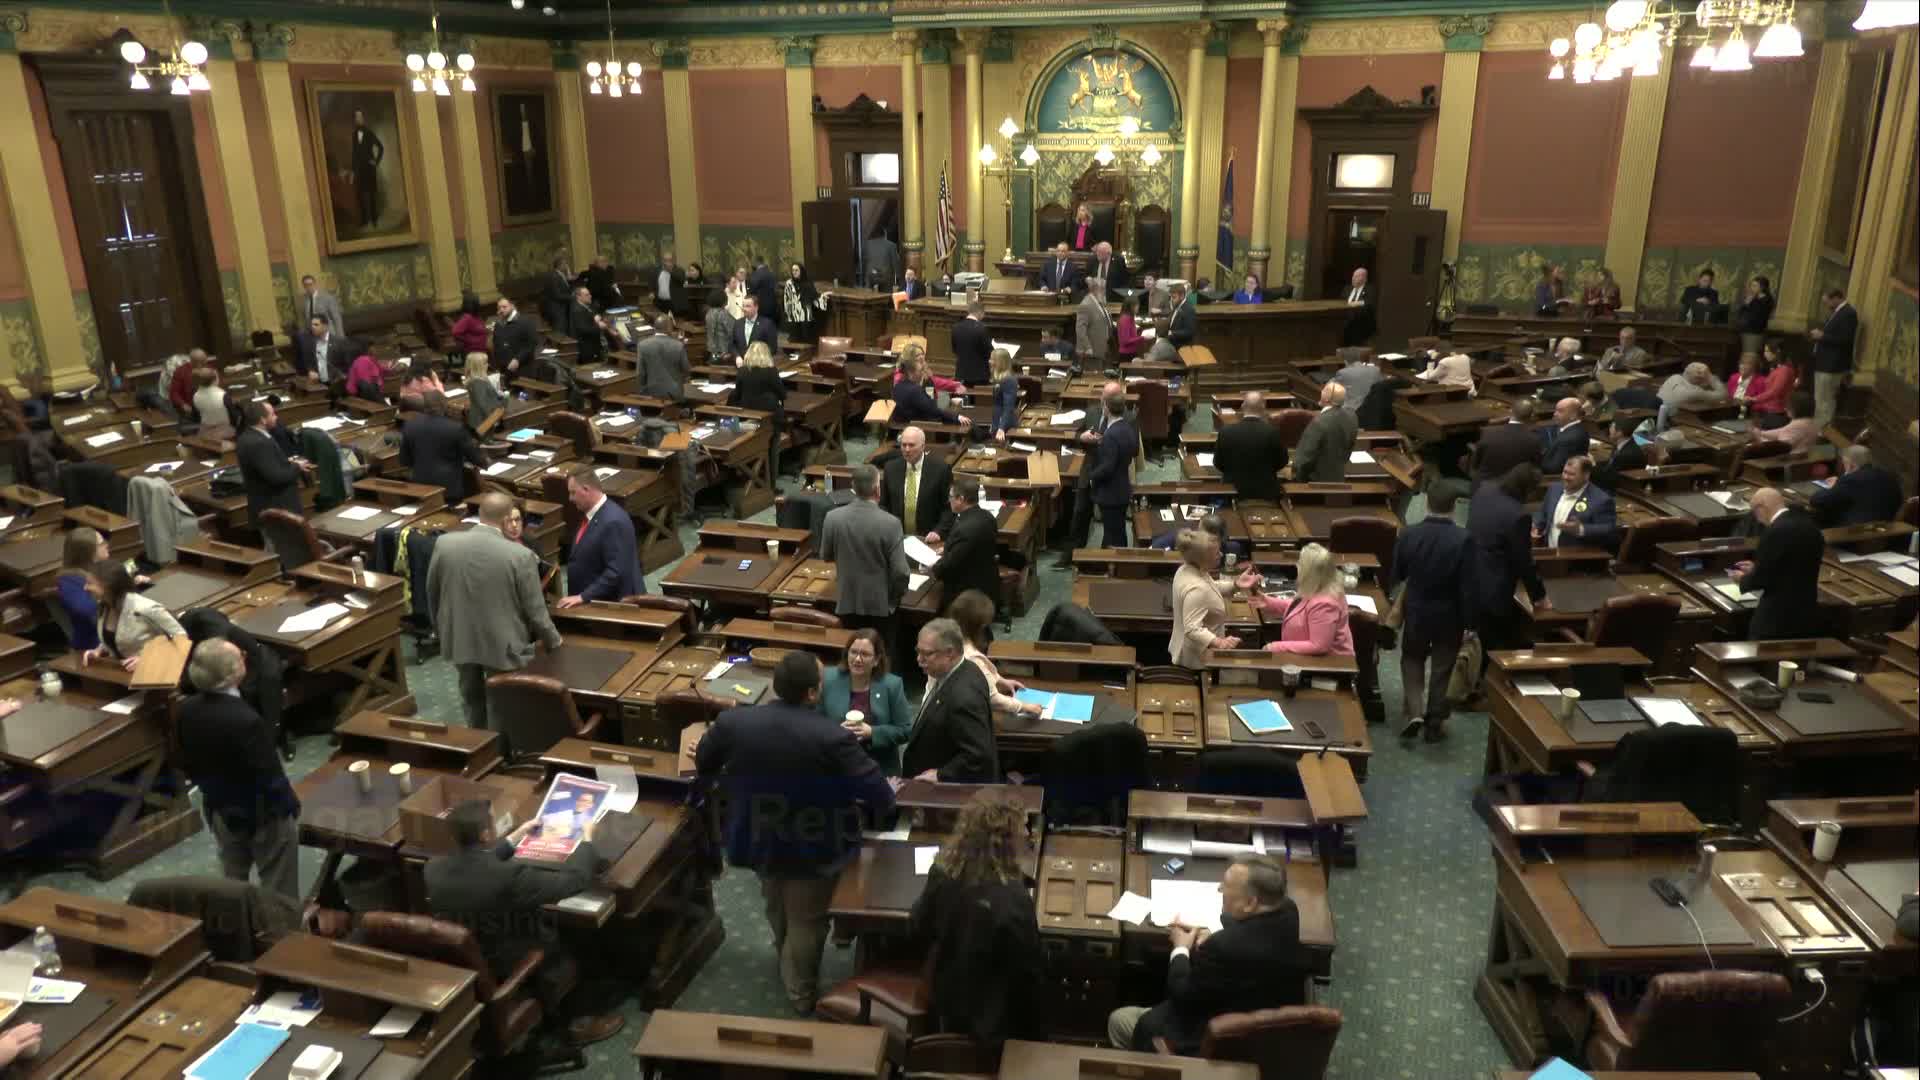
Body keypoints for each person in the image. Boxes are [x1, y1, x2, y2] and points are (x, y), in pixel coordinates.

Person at [698, 650, 895, 1012]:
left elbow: (704, 762)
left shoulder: (734, 722)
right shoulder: (832, 737)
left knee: (774, 903)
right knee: (807, 921)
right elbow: (878, 793)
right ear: (812, 693)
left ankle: (784, 956)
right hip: (814, 845)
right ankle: (801, 993)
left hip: (757, 835)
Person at [424, 799, 624, 1048]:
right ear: (486, 834)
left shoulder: (433, 869)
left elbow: (475, 866)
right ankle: (575, 1024)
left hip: (466, 959)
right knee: (572, 936)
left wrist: (513, 839)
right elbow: (575, 881)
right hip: (510, 961)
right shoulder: (509, 877)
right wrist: (586, 840)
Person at [1107, 855, 1307, 1055]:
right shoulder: (1289, 910)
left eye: (1226, 886)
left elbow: (1181, 994)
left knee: (1119, 1020)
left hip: (1210, 1039)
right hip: (1262, 1027)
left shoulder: (1222, 947)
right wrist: (1219, 936)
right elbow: (1252, 941)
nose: (1219, 889)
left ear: (1250, 903)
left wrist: (1181, 949)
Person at [910, 793, 1044, 1051]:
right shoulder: (1015, 900)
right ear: (1004, 841)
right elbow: (1028, 972)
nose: (1029, 835)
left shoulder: (942, 871)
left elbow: (917, 925)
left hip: (945, 1000)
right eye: (1023, 829)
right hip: (993, 1023)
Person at [427, 491, 563, 734]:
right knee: (500, 700)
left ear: (480, 515)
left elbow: (432, 593)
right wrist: (554, 641)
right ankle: (501, 753)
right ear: (504, 520)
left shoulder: (444, 543)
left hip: (459, 635)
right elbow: (536, 611)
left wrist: (441, 632)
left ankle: (478, 746)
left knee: (470, 695)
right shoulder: (520, 556)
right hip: (503, 643)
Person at [175, 639, 300, 898]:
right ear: (231, 673)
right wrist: (289, 806)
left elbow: (186, 762)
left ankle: (240, 931)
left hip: (221, 810)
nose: (245, 656)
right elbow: (268, 775)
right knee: (279, 889)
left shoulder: (186, 709)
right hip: (264, 815)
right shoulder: (246, 720)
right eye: (239, 656)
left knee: (233, 884)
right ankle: (283, 936)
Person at [1391, 482, 1479, 740]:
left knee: (1412, 659)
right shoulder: (1465, 539)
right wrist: (1470, 623)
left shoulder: (1409, 534)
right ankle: (1434, 722)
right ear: (1454, 508)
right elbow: (1469, 586)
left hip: (1417, 610)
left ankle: (1415, 711)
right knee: (1443, 666)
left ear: (1427, 503)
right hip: (1450, 616)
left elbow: (1398, 574)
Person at [819, 463, 908, 646]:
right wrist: (895, 597)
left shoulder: (833, 517)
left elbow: (825, 555)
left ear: (853, 488)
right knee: (880, 656)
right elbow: (901, 572)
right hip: (881, 606)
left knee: (853, 653)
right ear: (878, 489)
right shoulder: (891, 523)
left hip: (846, 600)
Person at [903, 618, 998, 782]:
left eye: (927, 653)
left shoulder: (963, 698)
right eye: (918, 651)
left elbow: (978, 754)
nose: (919, 659)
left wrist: (942, 774)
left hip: (945, 793)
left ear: (950, 653)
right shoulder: (966, 668)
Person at [1468, 463, 1547, 653]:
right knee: (1490, 643)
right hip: (1493, 584)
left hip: (1469, 569)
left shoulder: (1484, 489)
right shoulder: (1517, 515)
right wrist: (1538, 596)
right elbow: (1523, 561)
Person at [1734, 487, 1826, 640]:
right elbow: (1790, 566)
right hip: (1806, 612)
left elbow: (1761, 579)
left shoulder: (1774, 532)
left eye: (1754, 512)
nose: (1756, 519)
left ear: (1762, 507)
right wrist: (1757, 568)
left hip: (1776, 617)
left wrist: (1742, 579)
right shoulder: (1811, 527)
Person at [821, 628, 913, 774]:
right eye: (853, 652)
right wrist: (835, 732)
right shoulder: (828, 678)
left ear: (876, 660)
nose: (857, 659)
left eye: (865, 654)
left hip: (878, 766)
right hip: (835, 764)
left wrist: (872, 733)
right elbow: (813, 721)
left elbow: (905, 730)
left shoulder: (892, 685)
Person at [948, 589, 1045, 719]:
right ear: (979, 627)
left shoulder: (948, 637)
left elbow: (984, 673)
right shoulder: (970, 657)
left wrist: (1001, 680)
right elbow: (993, 699)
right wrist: (1025, 707)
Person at [1170, 528, 1259, 667]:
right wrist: (1219, 642)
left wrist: (1235, 585)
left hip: (1191, 649)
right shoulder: (1197, 589)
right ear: (1204, 559)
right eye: (1217, 553)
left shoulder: (1187, 569)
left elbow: (1210, 587)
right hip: (1198, 658)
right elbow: (1192, 628)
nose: (1221, 554)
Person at [558, 469, 644, 607]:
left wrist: (583, 597)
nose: (570, 498)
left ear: (586, 489)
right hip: (595, 601)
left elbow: (615, 572)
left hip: (612, 606)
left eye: (573, 492)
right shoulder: (592, 514)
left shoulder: (613, 521)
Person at [1252, 543, 1354, 657]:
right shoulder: (1321, 584)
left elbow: (1318, 646)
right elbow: (1301, 607)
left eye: (1300, 564)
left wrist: (1277, 647)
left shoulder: (1326, 603)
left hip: (1326, 666)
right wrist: (1268, 602)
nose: (1297, 566)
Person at [82, 559, 184, 672]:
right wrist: (99, 650)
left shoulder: (145, 608)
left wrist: (146, 659)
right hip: (122, 674)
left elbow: (182, 638)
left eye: (90, 584)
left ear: (107, 585)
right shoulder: (104, 606)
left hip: (155, 673)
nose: (85, 588)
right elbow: (116, 638)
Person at [1067, 381, 1129, 551]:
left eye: (1110, 399)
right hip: (1090, 469)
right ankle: (1072, 554)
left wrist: (1109, 447)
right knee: (1080, 512)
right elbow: (1075, 435)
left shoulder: (1128, 418)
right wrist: (1082, 438)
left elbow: (1133, 450)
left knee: (1111, 525)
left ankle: (1105, 560)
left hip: (1109, 478)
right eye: (1105, 397)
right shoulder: (1092, 411)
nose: (1105, 403)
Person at [399, 391, 488, 503]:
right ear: (444, 405)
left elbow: (404, 460)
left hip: (420, 487)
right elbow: (476, 458)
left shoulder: (410, 425)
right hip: (449, 489)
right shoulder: (455, 428)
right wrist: (485, 462)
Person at [930, 477, 1001, 618]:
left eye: (950, 497)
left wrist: (933, 567)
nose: (948, 500)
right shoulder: (987, 517)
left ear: (961, 499)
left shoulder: (965, 528)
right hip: (986, 579)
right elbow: (973, 548)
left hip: (966, 591)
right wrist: (949, 548)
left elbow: (947, 567)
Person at [236, 401, 309, 532]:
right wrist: (297, 467)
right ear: (263, 420)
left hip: (270, 506)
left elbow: (266, 465)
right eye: (273, 414)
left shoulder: (248, 436)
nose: (276, 417)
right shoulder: (258, 443)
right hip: (276, 509)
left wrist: (288, 463)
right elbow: (276, 477)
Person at [731, 340, 789, 485]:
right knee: (773, 449)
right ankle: (772, 484)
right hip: (770, 419)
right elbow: (783, 394)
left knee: (754, 448)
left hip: (748, 417)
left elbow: (736, 395)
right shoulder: (771, 371)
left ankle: (753, 480)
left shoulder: (743, 371)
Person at [884, 425, 956, 540]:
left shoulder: (940, 470)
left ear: (922, 446)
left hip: (928, 538)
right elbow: (884, 504)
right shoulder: (891, 468)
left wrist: (938, 531)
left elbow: (949, 507)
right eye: (904, 445)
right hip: (897, 538)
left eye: (911, 445)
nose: (907, 449)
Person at [1533, 455, 1616, 549]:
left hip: (1577, 558)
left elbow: (1609, 530)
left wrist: (1581, 529)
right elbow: (1543, 513)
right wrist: (1536, 525)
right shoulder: (1554, 489)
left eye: (1572, 474)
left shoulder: (1601, 500)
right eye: (1564, 472)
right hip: (1549, 553)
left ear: (1586, 475)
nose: (1565, 477)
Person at [1217, 392, 1287, 502]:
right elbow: (1282, 462)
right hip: (1266, 492)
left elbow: (1218, 463)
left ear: (1242, 406)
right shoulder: (1273, 433)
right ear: (1263, 407)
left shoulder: (1226, 432)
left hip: (1233, 491)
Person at [1810, 445, 1904, 527]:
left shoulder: (1851, 480)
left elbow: (1816, 500)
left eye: (1844, 464)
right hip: (1886, 531)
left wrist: (1835, 486)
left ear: (1851, 465)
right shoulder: (1889, 476)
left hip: (1856, 533)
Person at [1087, 391, 1136, 548]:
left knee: (1113, 535)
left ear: (1106, 408)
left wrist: (1091, 476)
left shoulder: (1111, 435)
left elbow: (1107, 467)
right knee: (1117, 532)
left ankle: (1116, 567)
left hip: (1110, 493)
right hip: (1122, 488)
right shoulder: (1128, 428)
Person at [1289, 381, 1356, 483]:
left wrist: (1296, 477)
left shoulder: (1319, 422)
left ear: (1327, 398)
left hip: (1316, 482)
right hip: (1339, 476)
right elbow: (1349, 448)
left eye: (1324, 390)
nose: (1321, 391)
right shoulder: (1352, 418)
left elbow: (1304, 459)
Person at [1809, 287, 1856, 429]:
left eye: (1827, 301)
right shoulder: (1838, 312)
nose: (1826, 305)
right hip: (1824, 362)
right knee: (1819, 397)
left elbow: (1846, 339)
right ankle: (1818, 426)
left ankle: (1823, 428)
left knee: (1826, 399)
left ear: (1836, 298)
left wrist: (1822, 336)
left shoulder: (1849, 313)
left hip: (1832, 364)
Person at [1471, 397, 1542, 486]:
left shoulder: (1488, 433)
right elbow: (1535, 466)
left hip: (1484, 485)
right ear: (1531, 415)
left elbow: (1475, 464)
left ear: (1511, 411)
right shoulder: (1534, 440)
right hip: (1515, 487)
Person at [890, 350, 962, 427]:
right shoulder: (913, 389)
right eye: (919, 361)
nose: (924, 369)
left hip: (916, 422)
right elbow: (932, 410)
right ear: (911, 369)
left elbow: (931, 403)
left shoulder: (900, 386)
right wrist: (956, 417)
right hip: (919, 427)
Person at [635, 314, 690, 401]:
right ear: (669, 328)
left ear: (655, 328)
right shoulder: (678, 345)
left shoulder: (642, 345)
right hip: (674, 394)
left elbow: (640, 373)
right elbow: (686, 369)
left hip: (651, 393)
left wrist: (642, 391)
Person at [1751, 391, 1822, 453]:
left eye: (1788, 406)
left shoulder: (1797, 425)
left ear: (1796, 408)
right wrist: (1761, 433)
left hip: (1790, 463)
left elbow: (1778, 448)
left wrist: (1759, 438)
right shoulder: (1811, 422)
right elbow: (1781, 431)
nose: (1785, 408)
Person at [490, 296, 538, 380]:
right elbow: (496, 344)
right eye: (499, 307)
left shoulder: (525, 322)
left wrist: (518, 359)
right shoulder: (498, 324)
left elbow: (532, 343)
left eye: (504, 307)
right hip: (504, 370)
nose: (501, 310)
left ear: (512, 306)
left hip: (523, 369)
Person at [296, 314, 352, 384]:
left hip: (336, 383)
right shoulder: (310, 344)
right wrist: (311, 371)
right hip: (319, 384)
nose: (312, 327)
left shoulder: (339, 343)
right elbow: (309, 363)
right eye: (312, 325)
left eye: (316, 325)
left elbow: (348, 365)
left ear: (325, 326)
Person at [1540, 396, 1590, 474]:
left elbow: (1555, 468)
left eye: (1560, 411)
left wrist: (1537, 463)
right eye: (1555, 410)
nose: (1554, 414)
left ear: (1573, 416)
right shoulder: (1574, 428)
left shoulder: (1569, 439)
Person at [1657, 362, 1729, 415]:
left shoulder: (1673, 378)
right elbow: (1723, 395)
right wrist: (1710, 377)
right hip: (1674, 423)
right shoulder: (1694, 392)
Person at [460, 351, 506, 432]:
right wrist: (504, 399)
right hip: (483, 424)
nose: (488, 365)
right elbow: (484, 406)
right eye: (485, 363)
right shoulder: (478, 383)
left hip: (480, 421)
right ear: (478, 366)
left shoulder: (475, 381)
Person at [952, 298, 993, 385]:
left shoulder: (956, 327)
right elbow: (988, 352)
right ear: (980, 312)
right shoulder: (981, 328)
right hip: (980, 376)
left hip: (961, 374)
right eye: (984, 313)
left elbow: (954, 350)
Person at [781, 262, 823, 344]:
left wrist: (823, 297)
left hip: (805, 315)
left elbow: (814, 297)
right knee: (794, 338)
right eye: (793, 270)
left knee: (806, 337)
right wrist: (788, 312)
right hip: (794, 315)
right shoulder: (789, 283)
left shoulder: (808, 283)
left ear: (801, 271)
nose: (794, 272)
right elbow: (786, 299)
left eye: (796, 270)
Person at [1329, 347, 1380, 415]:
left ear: (1345, 360)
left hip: (1352, 411)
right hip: (1373, 410)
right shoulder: (1376, 370)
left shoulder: (1343, 372)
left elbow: (1330, 388)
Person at [1076, 277, 1113, 367]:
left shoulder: (1098, 302)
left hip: (1101, 350)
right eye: (1103, 288)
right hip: (1091, 352)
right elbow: (1080, 329)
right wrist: (1087, 347)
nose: (1105, 291)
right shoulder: (1086, 305)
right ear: (1096, 289)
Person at [567, 285, 608, 366]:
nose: (590, 296)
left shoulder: (584, 305)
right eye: (586, 295)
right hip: (586, 348)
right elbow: (584, 329)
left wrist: (595, 318)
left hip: (592, 345)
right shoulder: (578, 310)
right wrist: (598, 326)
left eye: (589, 294)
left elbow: (591, 315)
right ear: (578, 297)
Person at [730, 294, 778, 359]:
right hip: (740, 363)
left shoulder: (767, 324)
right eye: (743, 306)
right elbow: (732, 345)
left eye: (748, 306)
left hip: (760, 364)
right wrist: (737, 357)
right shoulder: (738, 323)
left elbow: (772, 347)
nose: (744, 309)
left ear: (756, 307)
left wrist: (758, 358)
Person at [1737, 275, 1775, 354]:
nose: (1752, 288)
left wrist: (1749, 304)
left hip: (1755, 332)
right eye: (1751, 285)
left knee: (1750, 355)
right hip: (1746, 331)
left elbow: (1756, 316)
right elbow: (1741, 313)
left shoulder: (1766, 301)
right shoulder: (1753, 299)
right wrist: (1746, 304)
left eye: (1755, 286)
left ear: (1762, 287)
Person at [191, 366, 232, 439]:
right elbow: (233, 415)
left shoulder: (195, 396)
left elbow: (196, 416)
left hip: (205, 433)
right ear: (215, 380)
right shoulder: (222, 395)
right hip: (226, 432)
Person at [988, 349, 1020, 442]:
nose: (989, 361)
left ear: (1000, 362)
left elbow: (1008, 406)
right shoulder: (999, 378)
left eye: (992, 359)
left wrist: (1001, 427)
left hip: (1005, 422)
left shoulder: (1009, 380)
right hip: (998, 419)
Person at [167, 348, 211, 414]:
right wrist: (183, 404)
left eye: (204, 361)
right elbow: (174, 393)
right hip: (190, 406)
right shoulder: (180, 372)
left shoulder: (209, 369)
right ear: (192, 361)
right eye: (198, 362)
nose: (201, 365)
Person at [1341, 267, 1375, 345]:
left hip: (1361, 325)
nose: (1353, 278)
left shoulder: (1370, 289)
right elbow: (1341, 302)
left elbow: (1368, 302)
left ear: (1364, 279)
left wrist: (1354, 304)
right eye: (1353, 276)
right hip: (1345, 324)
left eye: (1356, 276)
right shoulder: (1347, 289)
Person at [704, 286, 738, 361]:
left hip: (711, 351)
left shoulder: (708, 313)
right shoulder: (723, 314)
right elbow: (733, 331)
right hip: (724, 353)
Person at [540, 256, 573, 331]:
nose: (567, 266)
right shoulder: (554, 276)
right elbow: (556, 295)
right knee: (560, 330)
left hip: (561, 307)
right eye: (565, 264)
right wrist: (572, 297)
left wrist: (568, 274)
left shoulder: (560, 275)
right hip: (557, 308)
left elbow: (566, 287)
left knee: (562, 328)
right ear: (560, 265)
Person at [648, 251, 685, 316]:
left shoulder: (679, 270)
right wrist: (651, 292)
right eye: (665, 260)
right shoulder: (657, 270)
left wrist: (670, 271)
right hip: (659, 303)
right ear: (662, 261)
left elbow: (681, 280)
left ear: (674, 261)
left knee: (674, 323)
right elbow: (651, 282)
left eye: (669, 260)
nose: (667, 262)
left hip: (673, 304)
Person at [1168, 282, 1197, 346]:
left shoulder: (1189, 309)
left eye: (1174, 297)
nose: (1171, 300)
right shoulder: (1177, 305)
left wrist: (1172, 333)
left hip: (1182, 347)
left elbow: (1189, 332)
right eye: (1170, 297)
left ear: (1182, 296)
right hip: (1172, 343)